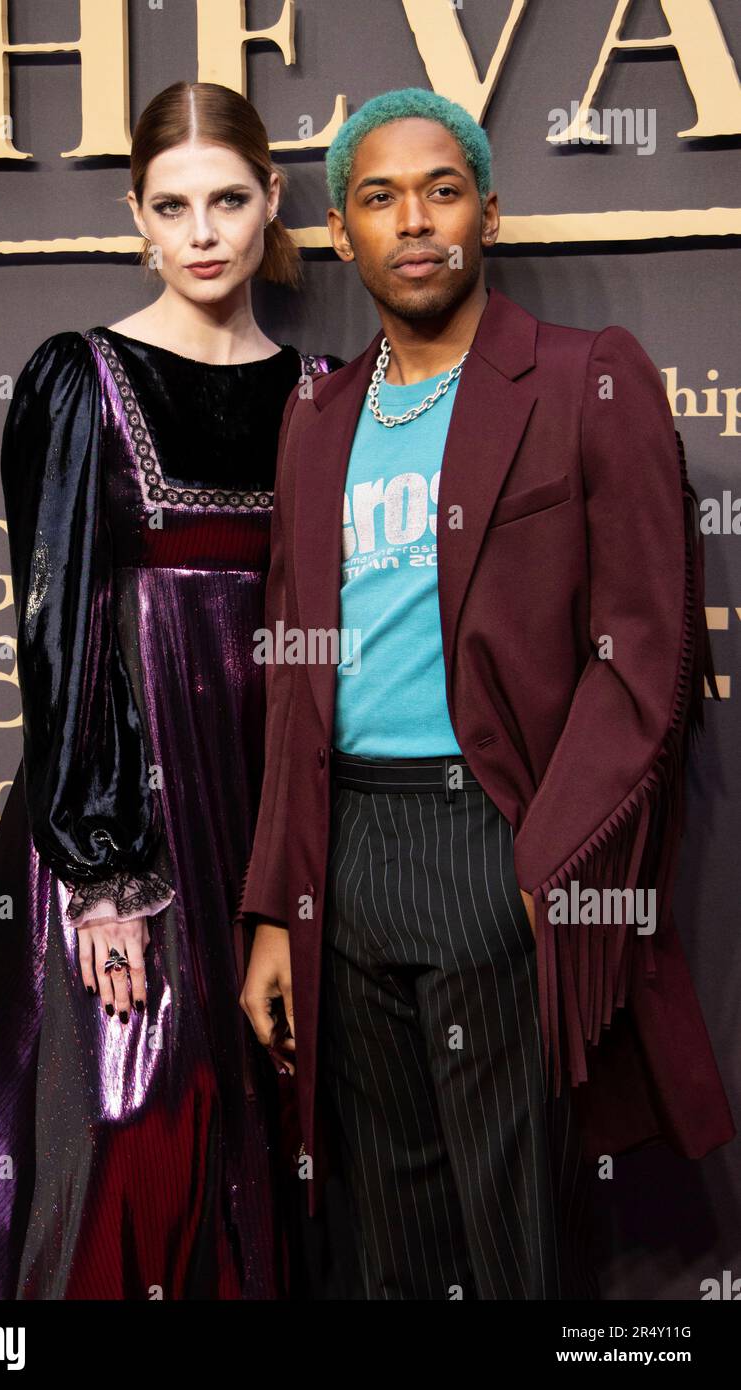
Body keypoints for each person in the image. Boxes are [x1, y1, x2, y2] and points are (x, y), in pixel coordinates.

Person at [237, 87, 735, 1300]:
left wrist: (540, 869)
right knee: (389, 1239)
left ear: (490, 215)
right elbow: (294, 679)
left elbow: (647, 655)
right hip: (347, 853)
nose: (414, 221)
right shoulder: (317, 415)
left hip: (494, 843)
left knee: (514, 1239)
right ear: (343, 237)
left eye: (442, 190)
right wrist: (272, 902)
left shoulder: (584, 380)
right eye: (378, 198)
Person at [0, 80, 343, 1300]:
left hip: (273, 799)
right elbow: (60, 629)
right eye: (174, 205)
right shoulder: (81, 380)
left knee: (286, 1131)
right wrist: (104, 871)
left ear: (271, 202)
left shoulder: (325, 393)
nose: (203, 233)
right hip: (131, 810)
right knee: (141, 1126)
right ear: (135, 213)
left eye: (229, 200)